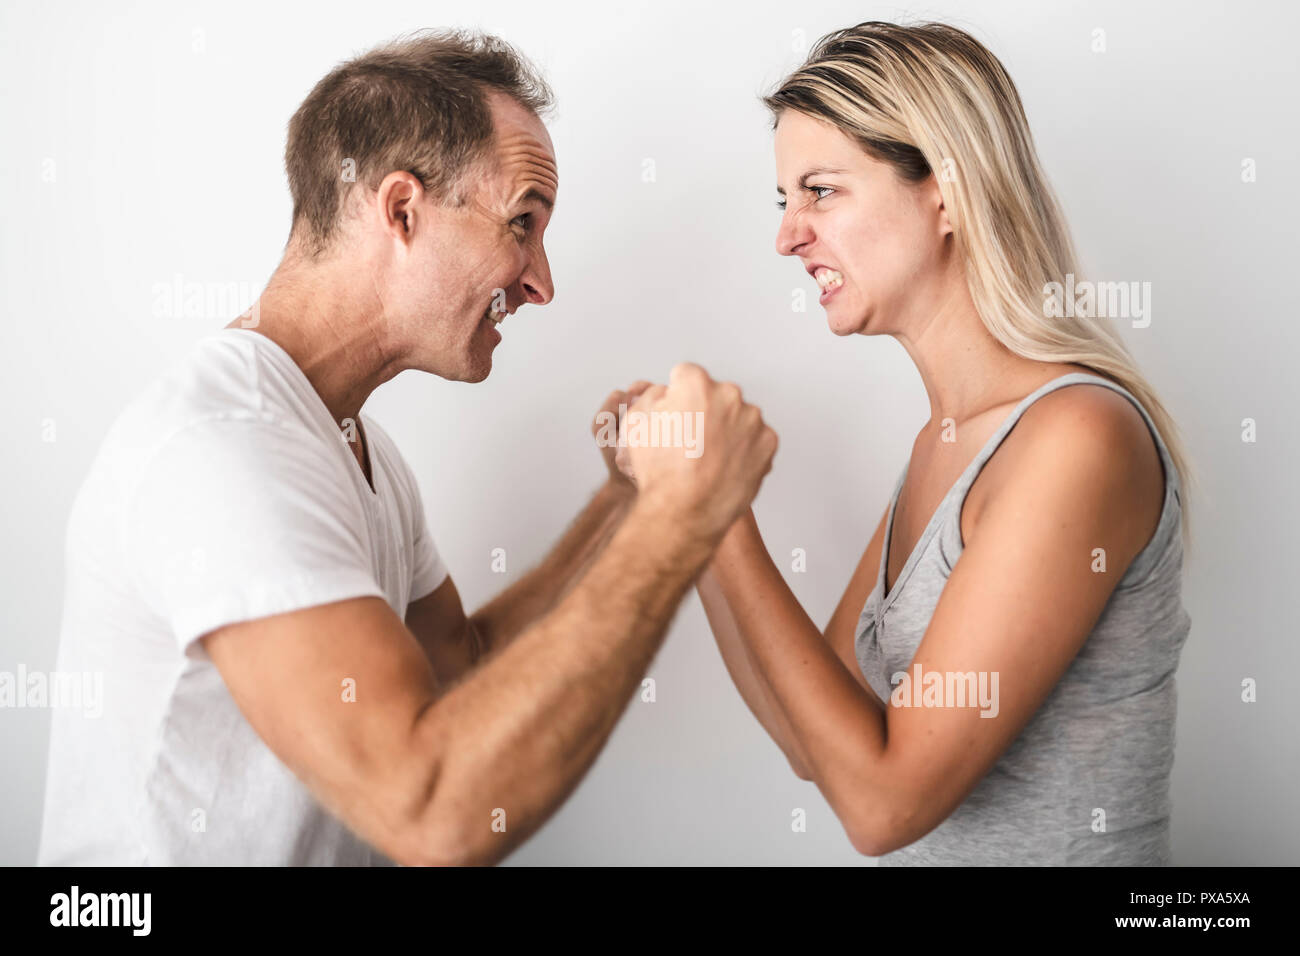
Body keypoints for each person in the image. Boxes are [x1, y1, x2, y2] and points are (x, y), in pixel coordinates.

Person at [37, 29, 776, 866]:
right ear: (400, 210)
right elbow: (429, 810)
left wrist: (627, 501)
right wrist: (679, 523)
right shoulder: (224, 450)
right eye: (523, 223)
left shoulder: (361, 451)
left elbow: (462, 669)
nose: (541, 281)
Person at [683, 21, 1194, 865]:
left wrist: (718, 509)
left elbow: (884, 807)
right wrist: (688, 524)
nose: (788, 235)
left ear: (947, 192)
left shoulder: (1077, 438)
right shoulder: (942, 446)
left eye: (821, 191)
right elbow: (814, 744)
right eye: (785, 201)